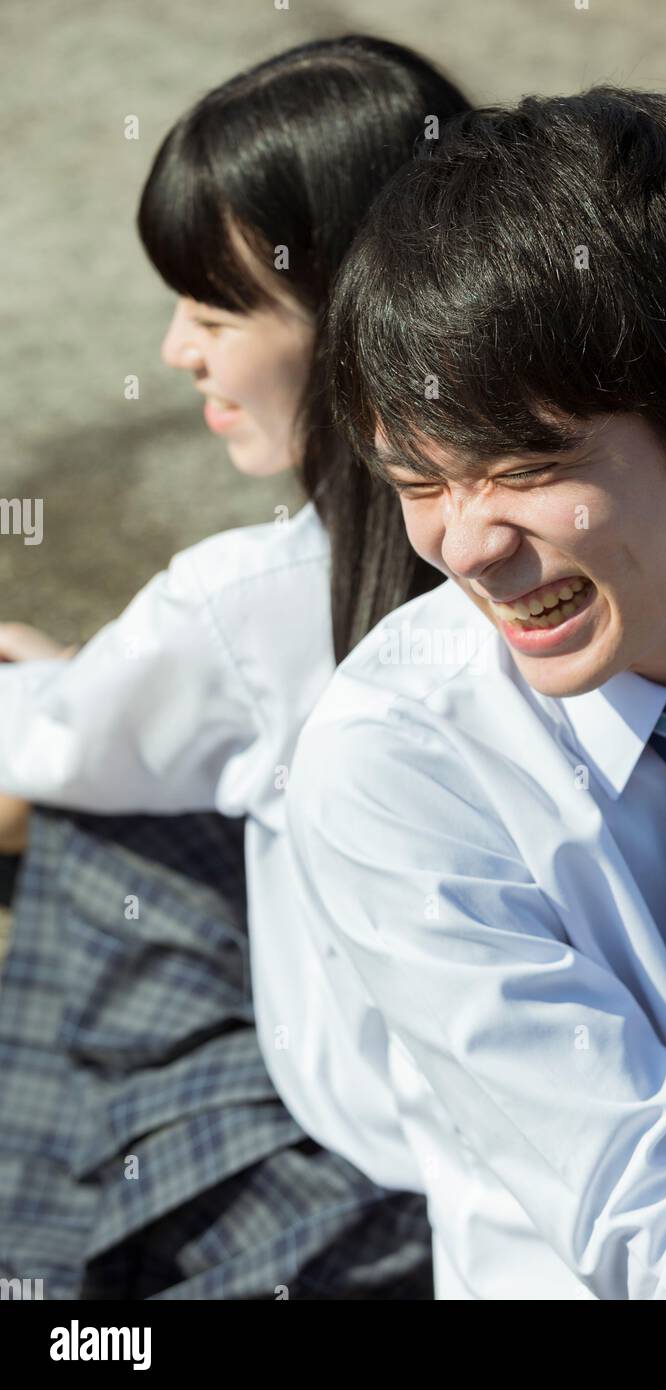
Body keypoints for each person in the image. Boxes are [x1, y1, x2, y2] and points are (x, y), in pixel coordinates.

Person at [280, 89, 666, 1299]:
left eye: (525, 468)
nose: (463, 545)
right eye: (416, 479)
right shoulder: (400, 758)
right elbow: (655, 1231)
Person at [0, 35, 468, 1300]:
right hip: (507, 1182)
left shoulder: (244, 602)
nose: (174, 351)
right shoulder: (565, 562)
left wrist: (59, 683)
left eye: (214, 313)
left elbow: (39, 755)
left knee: (97, 844)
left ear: (362, 328)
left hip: (358, 1188)